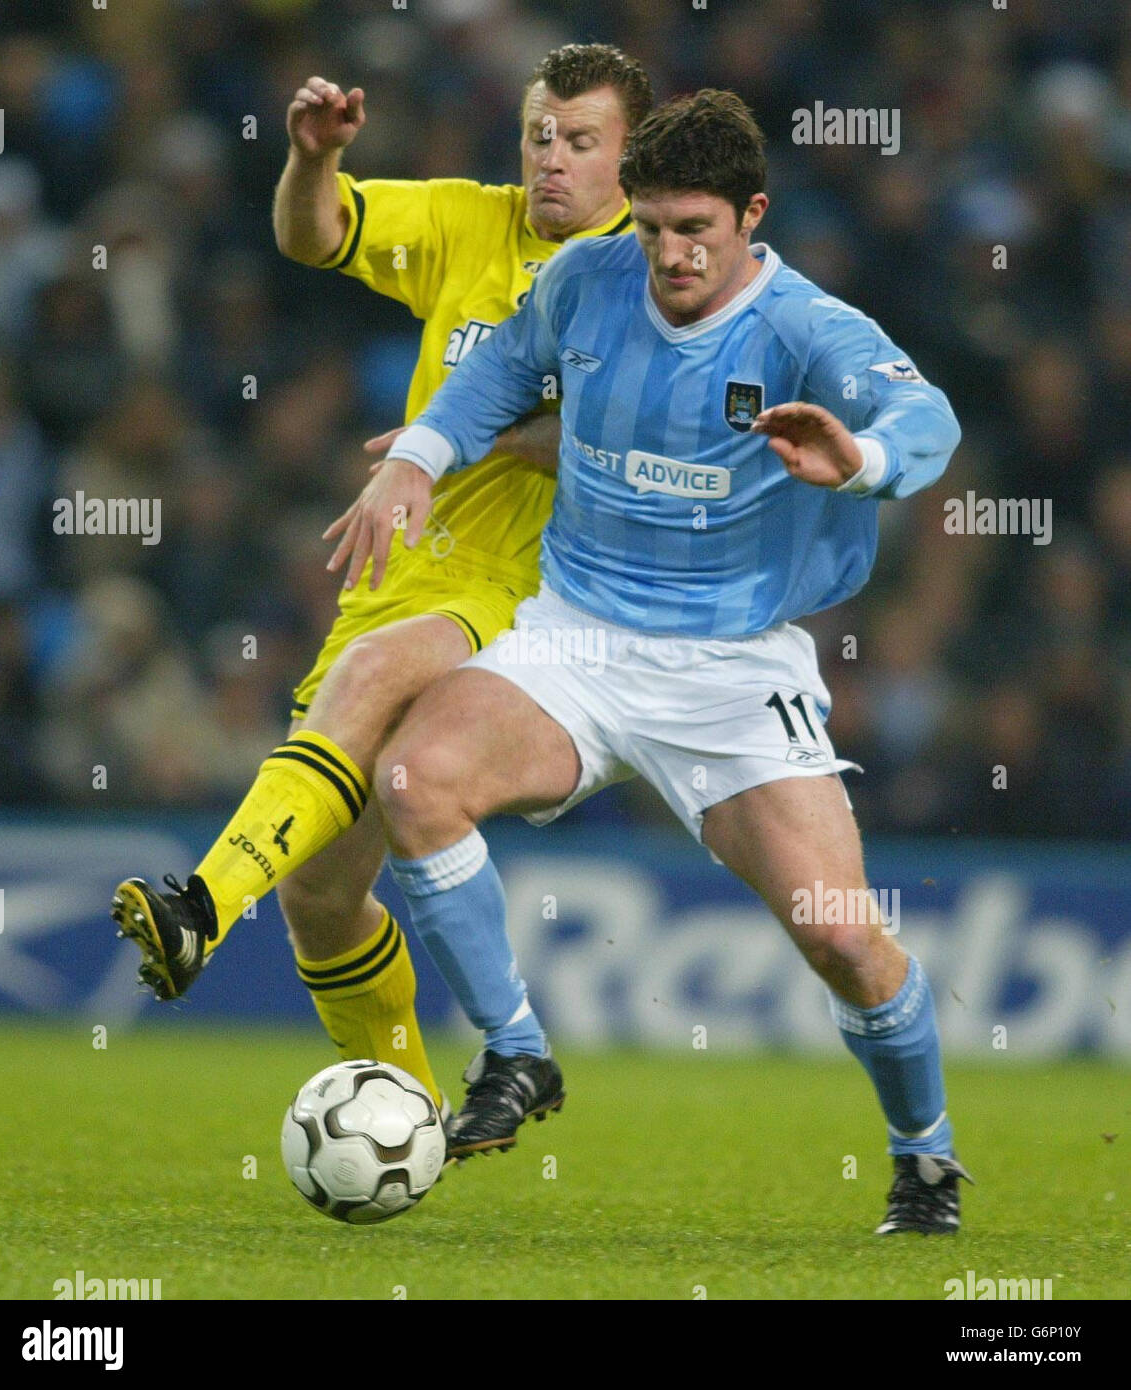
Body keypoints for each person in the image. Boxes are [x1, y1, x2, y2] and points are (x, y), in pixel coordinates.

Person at [331, 90, 971, 1234]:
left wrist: (861, 453)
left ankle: (923, 1159)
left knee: (838, 933)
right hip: (574, 634)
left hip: (732, 667)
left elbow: (932, 426)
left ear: (751, 218)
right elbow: (492, 378)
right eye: (653, 225)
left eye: (697, 232)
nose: (670, 253)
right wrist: (419, 455)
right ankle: (517, 1054)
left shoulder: (810, 328)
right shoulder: (584, 280)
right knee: (415, 782)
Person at [110, 45, 653, 1117]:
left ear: (629, 160)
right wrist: (314, 160)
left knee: (371, 670)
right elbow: (313, 235)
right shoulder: (466, 221)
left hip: (535, 586)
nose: (553, 159)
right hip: (405, 573)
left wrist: (457, 441)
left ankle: (200, 907)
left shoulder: (643, 268)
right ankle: (409, 1111)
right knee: (320, 893)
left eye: (581, 142)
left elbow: (617, 432)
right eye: (540, 134)